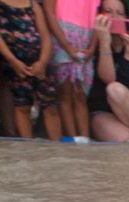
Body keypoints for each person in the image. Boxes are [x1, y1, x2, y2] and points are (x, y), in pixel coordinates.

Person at [0, 0, 62, 139]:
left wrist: (43, 62)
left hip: (40, 60)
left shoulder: (33, 4)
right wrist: (12, 60)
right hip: (15, 62)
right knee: (22, 105)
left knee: (50, 105)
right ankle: (28, 148)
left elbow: (45, 37)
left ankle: (57, 147)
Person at [88, 0, 129, 140]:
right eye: (108, 12)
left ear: (127, 18)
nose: (114, 17)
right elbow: (107, 78)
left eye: (120, 13)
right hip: (103, 112)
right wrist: (104, 42)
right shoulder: (91, 43)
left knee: (115, 90)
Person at [44, 0, 97, 138]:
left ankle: (85, 140)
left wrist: (92, 47)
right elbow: (49, 12)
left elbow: (100, 14)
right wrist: (66, 45)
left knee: (80, 94)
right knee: (65, 93)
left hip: (86, 39)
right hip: (61, 37)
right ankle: (72, 140)